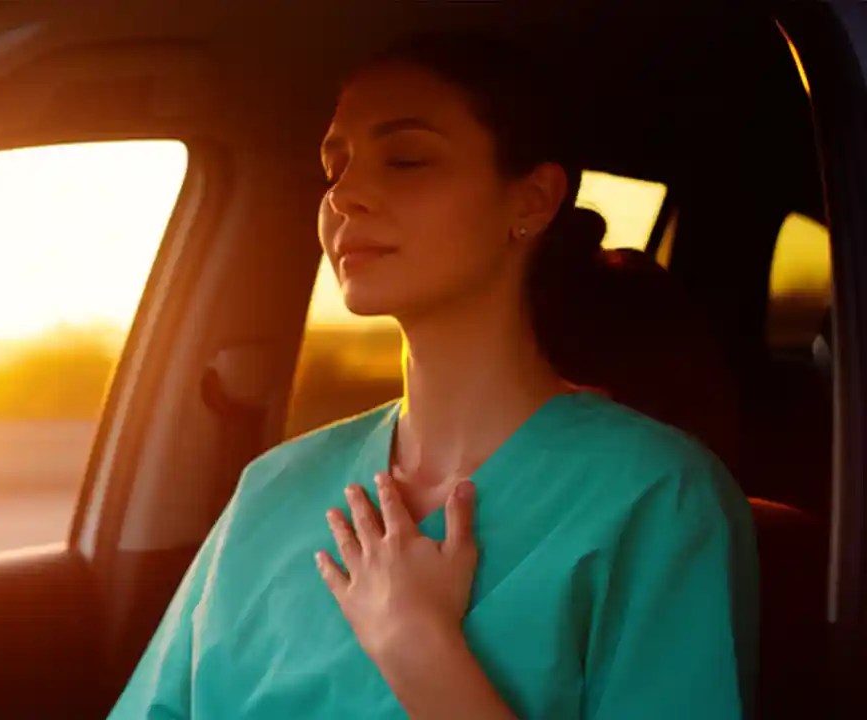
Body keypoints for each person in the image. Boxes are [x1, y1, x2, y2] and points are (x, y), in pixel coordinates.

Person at [108, 30, 757, 720]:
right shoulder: (271, 487)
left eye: (408, 159)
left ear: (532, 200)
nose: (346, 195)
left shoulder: (659, 497)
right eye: (335, 168)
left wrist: (420, 649)